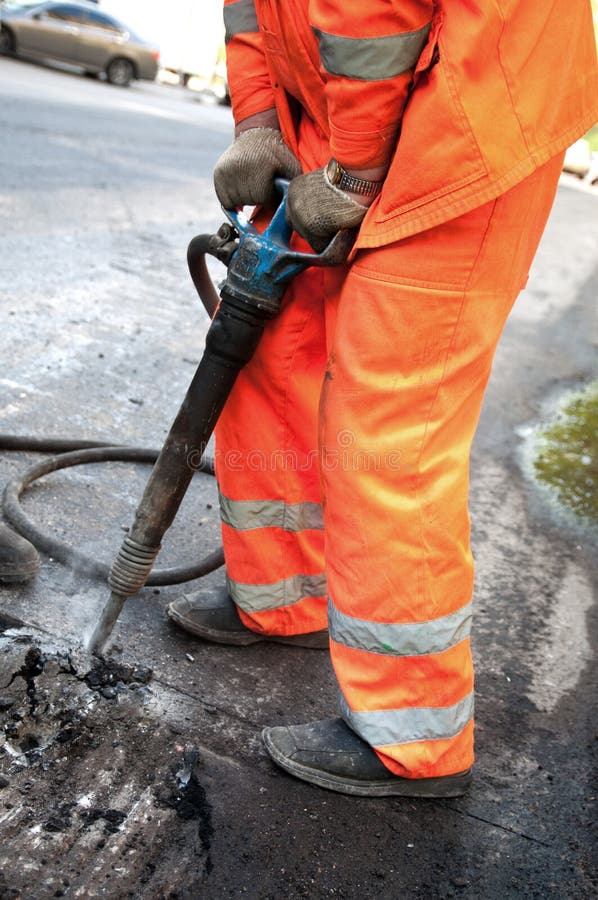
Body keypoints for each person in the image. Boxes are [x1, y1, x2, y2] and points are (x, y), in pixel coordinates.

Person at [168, 0, 598, 797]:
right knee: (270, 342)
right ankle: (283, 598)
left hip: (469, 109)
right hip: (340, 100)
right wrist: (259, 121)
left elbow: (371, 11)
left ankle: (415, 738)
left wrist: (356, 172)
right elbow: (248, 7)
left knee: (390, 420)